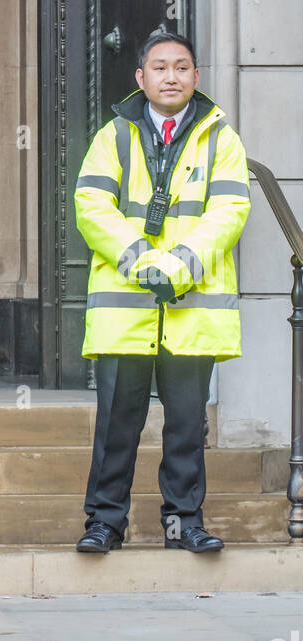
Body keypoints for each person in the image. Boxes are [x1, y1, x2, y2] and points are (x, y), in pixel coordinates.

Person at [74, 31, 251, 555]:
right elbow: (91, 207)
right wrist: (145, 262)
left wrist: (180, 266)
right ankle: (104, 524)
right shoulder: (114, 135)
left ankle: (184, 523)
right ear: (141, 78)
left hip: (190, 308)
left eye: (181, 68)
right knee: (116, 426)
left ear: (196, 77)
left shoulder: (222, 139)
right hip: (125, 308)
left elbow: (230, 212)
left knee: (186, 427)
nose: (170, 77)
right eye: (160, 68)